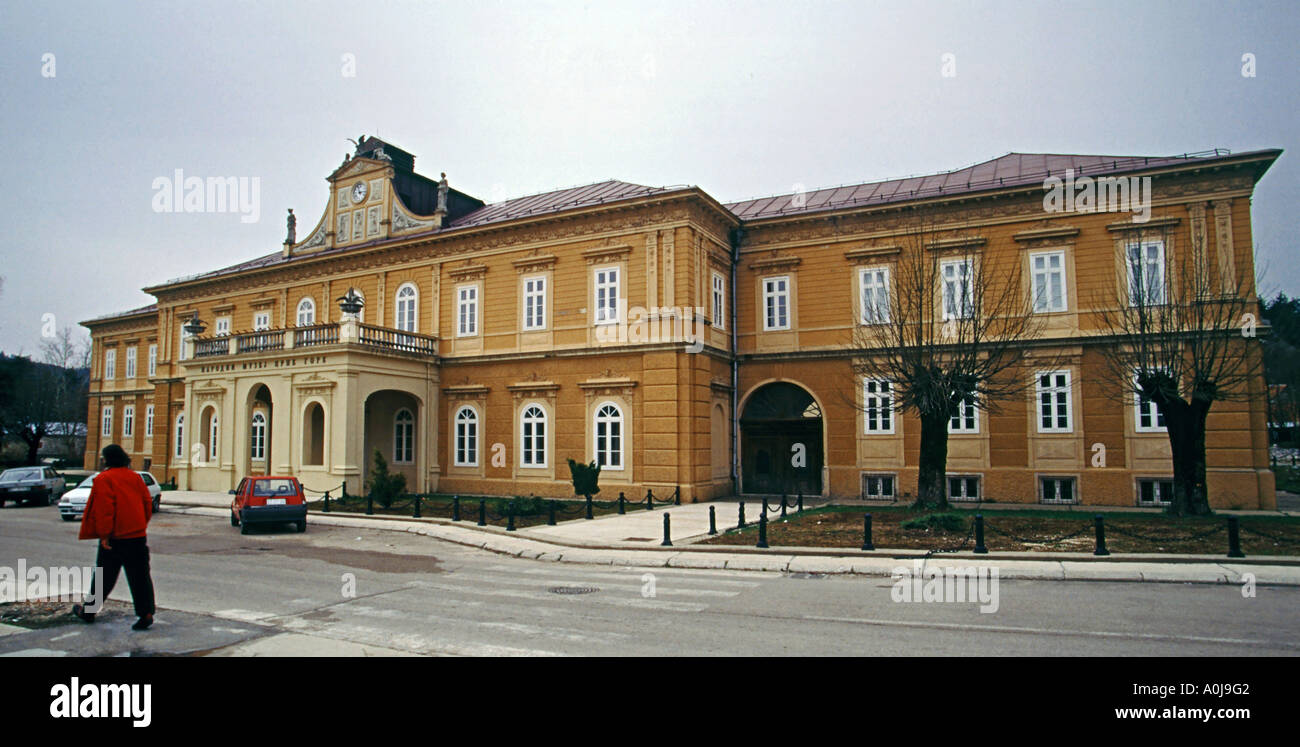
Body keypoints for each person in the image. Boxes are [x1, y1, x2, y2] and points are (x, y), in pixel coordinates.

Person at [72, 444, 156, 630]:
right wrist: (140, 524)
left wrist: (104, 535)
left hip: (115, 537)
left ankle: (89, 611)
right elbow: (146, 503)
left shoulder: (104, 479)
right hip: (137, 535)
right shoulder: (135, 477)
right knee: (140, 577)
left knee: (103, 577)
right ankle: (146, 613)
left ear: (107, 459)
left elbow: (105, 510)